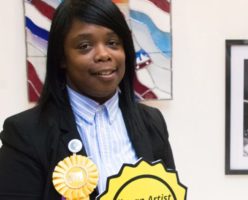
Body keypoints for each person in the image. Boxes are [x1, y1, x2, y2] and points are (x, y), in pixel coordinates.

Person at [0, 0, 175, 199]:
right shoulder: (24, 132)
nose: (103, 54)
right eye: (84, 46)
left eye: (113, 43)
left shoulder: (152, 121)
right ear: (62, 58)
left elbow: (168, 193)